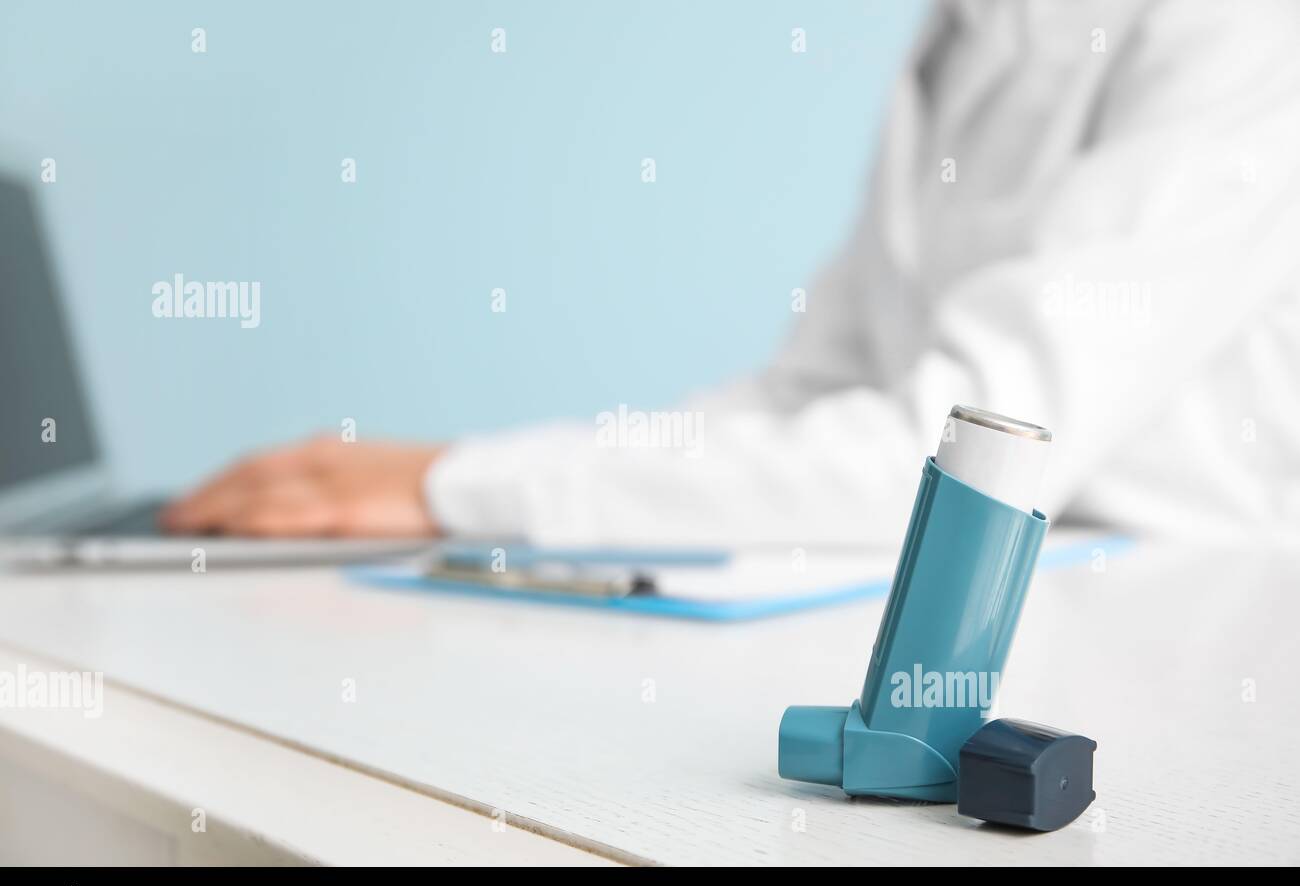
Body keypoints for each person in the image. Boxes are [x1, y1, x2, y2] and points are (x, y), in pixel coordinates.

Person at [162, 0, 1300, 548]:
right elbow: (807, 393)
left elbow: (961, 464)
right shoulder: (961, 28)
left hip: (1173, 628)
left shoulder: (1240, 31)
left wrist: (459, 484)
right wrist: (468, 483)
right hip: (983, 613)